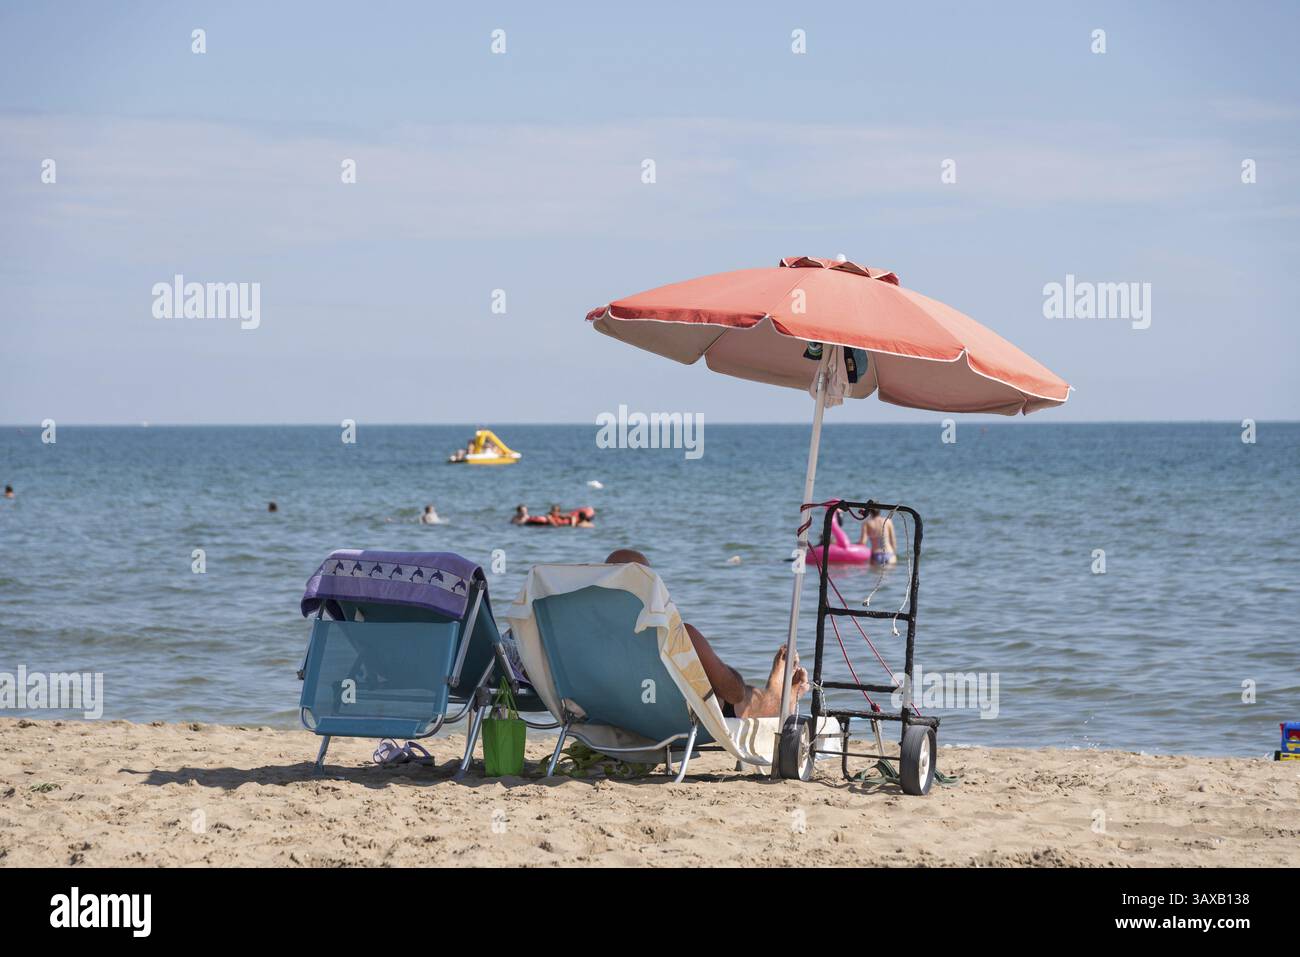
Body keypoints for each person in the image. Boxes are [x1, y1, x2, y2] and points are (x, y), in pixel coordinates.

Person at [604, 549, 808, 718]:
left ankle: (772, 695)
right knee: (738, 695)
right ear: (651, 589)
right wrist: (727, 675)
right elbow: (733, 693)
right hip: (673, 723)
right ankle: (777, 699)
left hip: (617, 718)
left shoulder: (587, 640)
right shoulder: (681, 636)